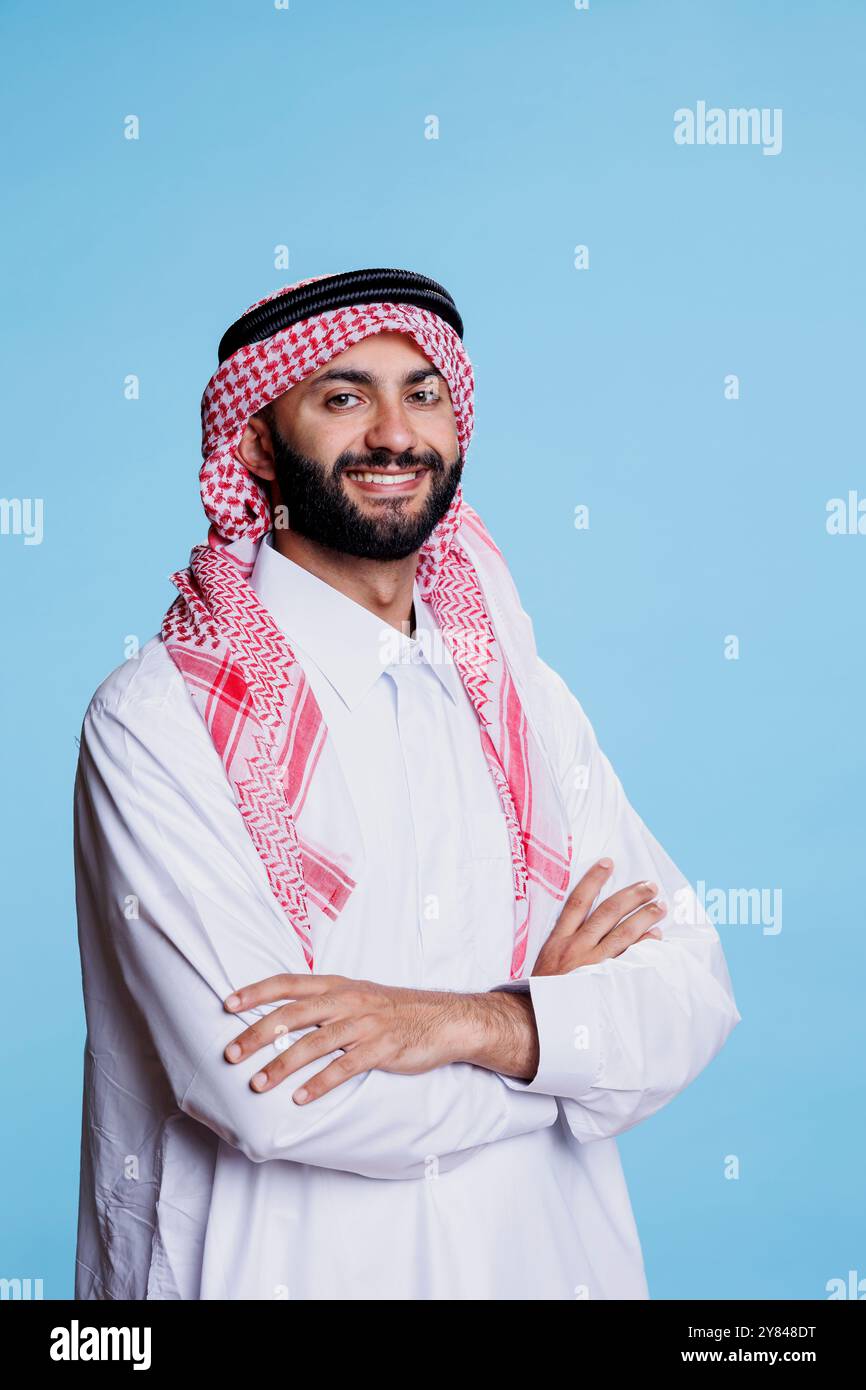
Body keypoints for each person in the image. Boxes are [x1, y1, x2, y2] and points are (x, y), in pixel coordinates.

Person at [73, 267, 741, 1301]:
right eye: (343, 398)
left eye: (421, 393)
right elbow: (271, 1094)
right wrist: (559, 1054)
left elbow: (690, 995)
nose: (394, 434)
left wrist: (466, 1023)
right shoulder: (161, 719)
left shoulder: (523, 694)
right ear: (255, 441)